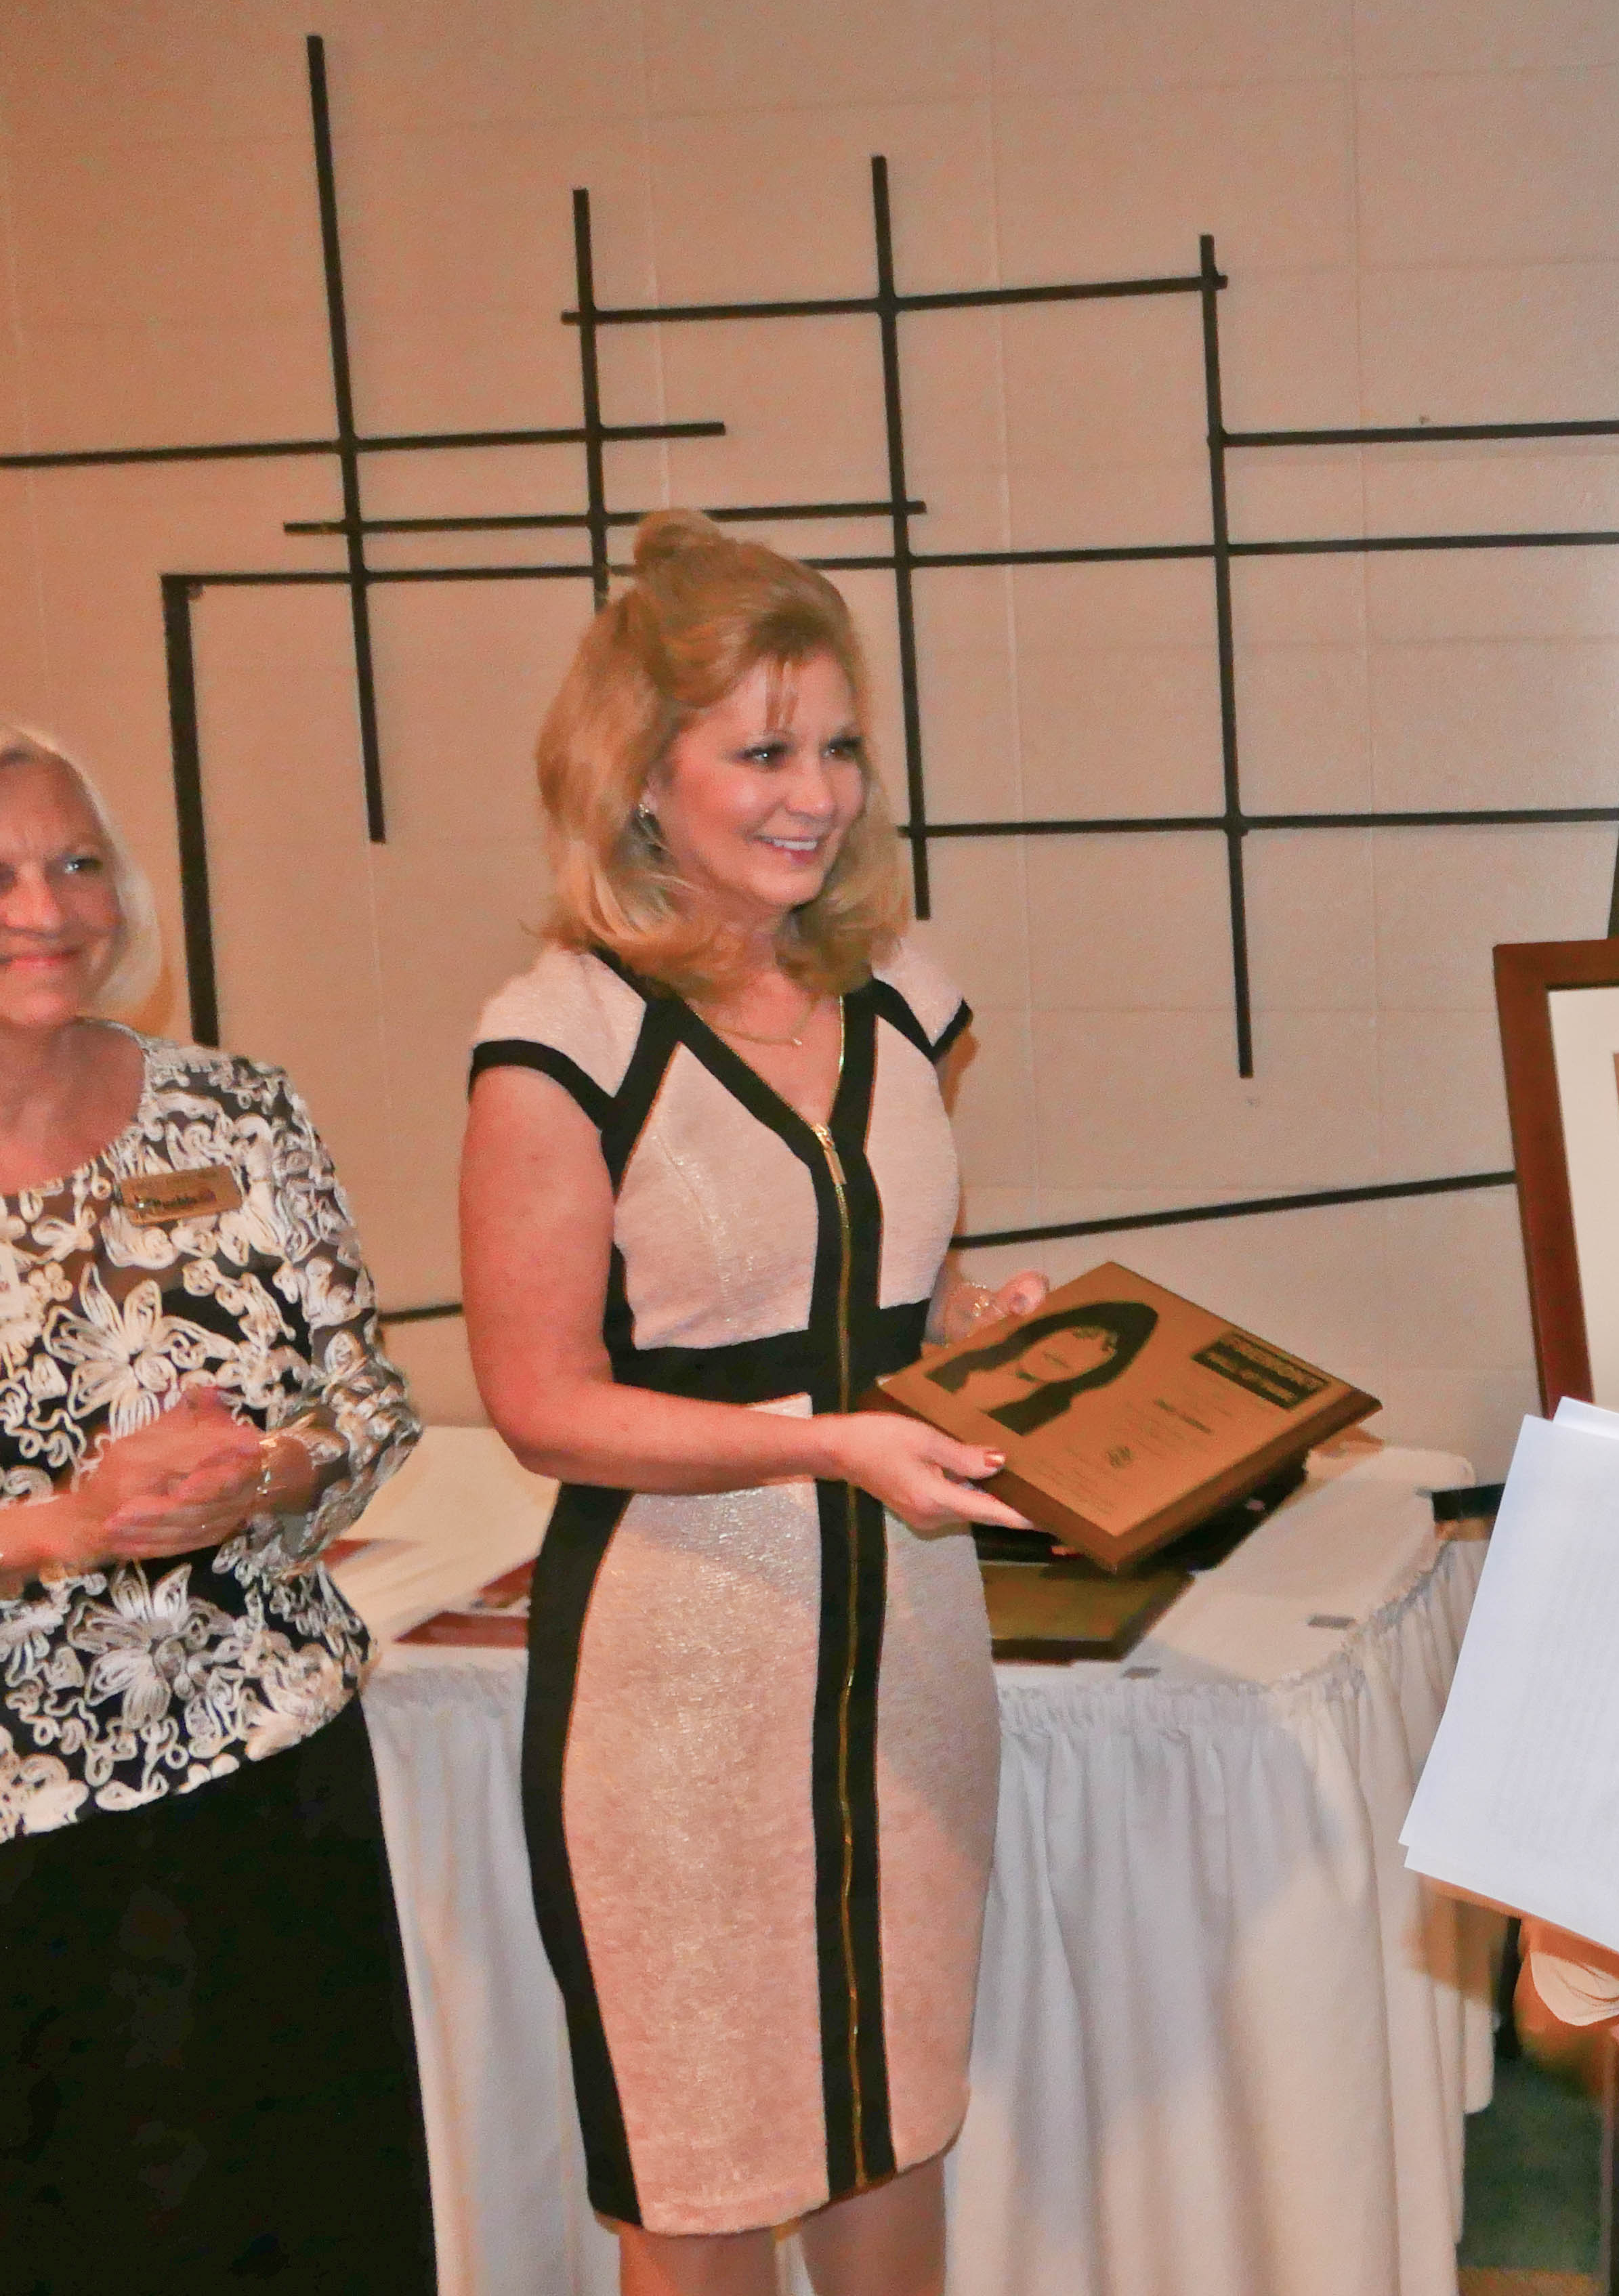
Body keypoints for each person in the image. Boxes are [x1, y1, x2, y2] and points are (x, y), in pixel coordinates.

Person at [0, 711, 432, 2288]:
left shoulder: (235, 1114)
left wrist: (260, 1474)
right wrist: (48, 1533)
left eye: (73, 864)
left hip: (253, 1814)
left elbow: (368, 1410)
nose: (45, 912)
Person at [457, 511, 1048, 2296]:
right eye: (765, 750)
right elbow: (543, 1404)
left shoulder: (905, 998)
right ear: (641, 777)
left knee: (889, 2118)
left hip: (908, 1640)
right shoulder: (559, 1036)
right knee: (706, 2172)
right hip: (681, 1668)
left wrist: (973, 1324)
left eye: (842, 744)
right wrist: (827, 1440)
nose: (819, 793)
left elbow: (856, 1278)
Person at [918, 1294, 1155, 1434]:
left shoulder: (1043, 1421)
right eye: (1082, 1335)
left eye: (1107, 1351)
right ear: (1051, 1329)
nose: (1080, 1355)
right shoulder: (944, 1365)